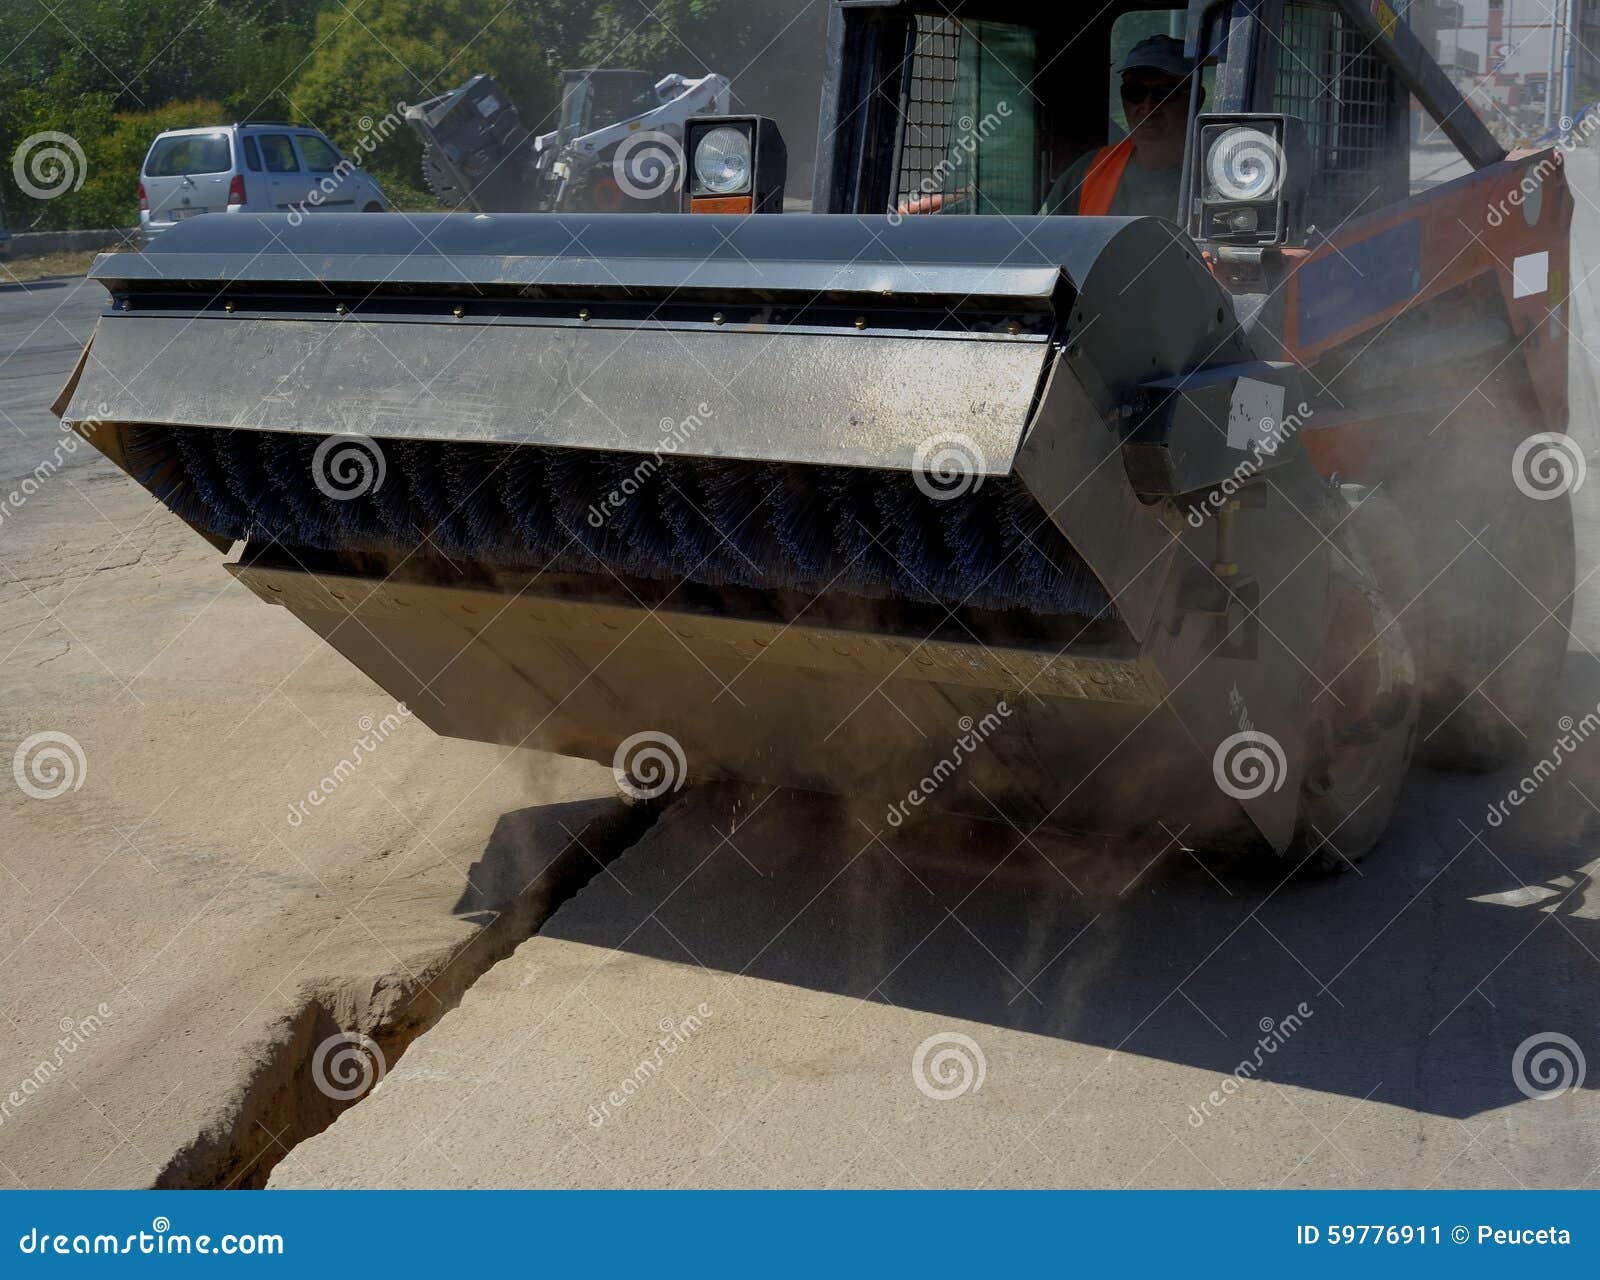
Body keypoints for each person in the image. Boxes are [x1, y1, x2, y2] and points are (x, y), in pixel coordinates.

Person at [1041, 35, 1202, 219]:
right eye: (1135, 92)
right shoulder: (1089, 171)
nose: (1148, 106)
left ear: (1197, 98)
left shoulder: (1222, 177)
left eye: (1164, 93)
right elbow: (1040, 239)